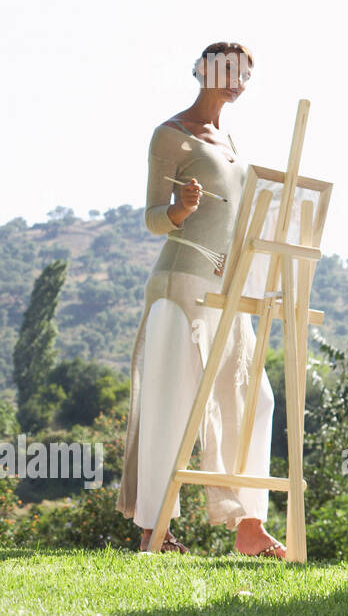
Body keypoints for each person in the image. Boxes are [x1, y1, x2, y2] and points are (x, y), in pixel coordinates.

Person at [116, 42, 285, 558]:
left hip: (227, 291)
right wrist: (180, 209)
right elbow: (150, 217)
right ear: (205, 70)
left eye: (247, 73)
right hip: (181, 285)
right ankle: (154, 529)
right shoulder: (172, 136)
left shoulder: (230, 140)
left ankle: (248, 525)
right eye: (232, 69)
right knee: (171, 403)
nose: (240, 80)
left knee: (256, 400)